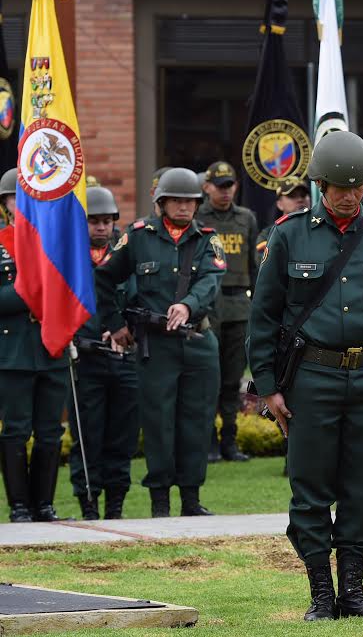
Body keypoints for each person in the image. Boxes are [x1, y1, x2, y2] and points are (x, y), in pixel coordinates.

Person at [248, 130, 363, 621]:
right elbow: (264, 318)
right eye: (338, 187)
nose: (348, 196)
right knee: (310, 485)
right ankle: (321, 594)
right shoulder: (288, 233)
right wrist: (269, 387)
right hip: (311, 379)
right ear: (320, 184)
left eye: (357, 187)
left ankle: (353, 590)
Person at [95, 167, 225, 518]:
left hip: (198, 341)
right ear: (161, 203)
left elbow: (211, 282)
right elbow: (104, 278)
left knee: (197, 422)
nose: (184, 207)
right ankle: (160, 503)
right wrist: (116, 324)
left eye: (190, 201)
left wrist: (187, 305)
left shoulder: (208, 239)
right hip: (156, 345)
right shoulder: (138, 236)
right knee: (158, 423)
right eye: (176, 201)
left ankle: (191, 499)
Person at [0, 170, 72, 523]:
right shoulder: (1, 242)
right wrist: (31, 289)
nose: (22, 204)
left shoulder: (57, 243)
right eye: (15, 198)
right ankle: (19, 506)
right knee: (15, 428)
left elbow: (75, 292)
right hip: (13, 351)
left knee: (49, 430)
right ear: (6, 204)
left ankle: (44, 504)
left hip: (52, 348)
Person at [69, 186, 140, 520]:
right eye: (93, 221)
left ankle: (115, 506)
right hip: (84, 359)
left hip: (123, 359)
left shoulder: (125, 258)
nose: (101, 227)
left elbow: (139, 301)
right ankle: (88, 504)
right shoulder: (68, 260)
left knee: (122, 438)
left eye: (107, 221)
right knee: (87, 437)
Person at [197, 161, 259, 463]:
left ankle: (230, 442)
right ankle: (208, 442)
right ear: (207, 187)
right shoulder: (198, 218)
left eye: (229, 185)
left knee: (233, 379)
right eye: (219, 186)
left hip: (238, 305)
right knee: (209, 378)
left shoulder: (246, 218)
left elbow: (253, 265)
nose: (225, 191)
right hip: (208, 305)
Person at [255, 176, 311, 268]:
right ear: (279, 204)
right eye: (292, 196)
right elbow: (265, 266)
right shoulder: (268, 235)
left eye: (303, 195)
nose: (300, 200)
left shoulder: (322, 229)